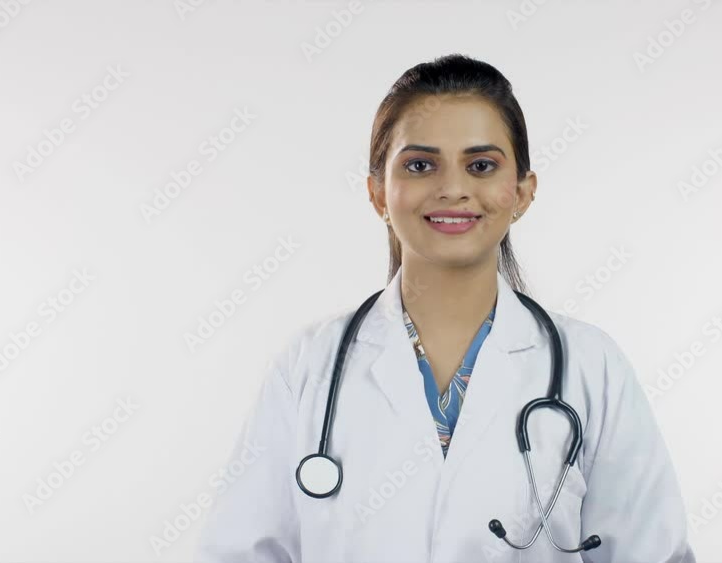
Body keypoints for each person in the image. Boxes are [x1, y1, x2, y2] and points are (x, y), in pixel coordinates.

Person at [196, 53, 696, 563]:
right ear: (377, 193)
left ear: (523, 191)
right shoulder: (308, 367)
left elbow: (651, 553)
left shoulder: (592, 366)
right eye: (420, 165)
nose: (453, 189)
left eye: (481, 166)